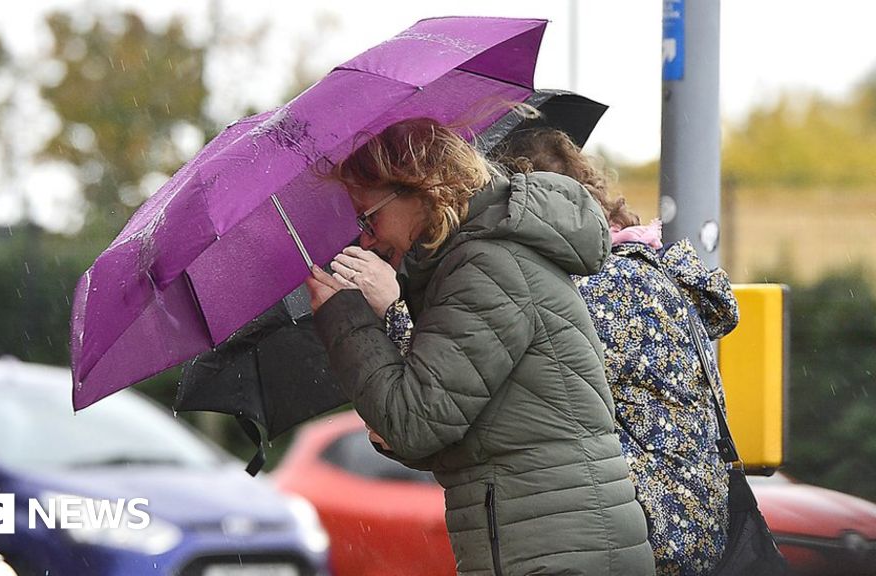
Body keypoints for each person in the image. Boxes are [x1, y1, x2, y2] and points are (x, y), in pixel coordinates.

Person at [306, 118, 654, 576]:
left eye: (368, 218)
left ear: (423, 189)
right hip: (548, 540)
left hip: (559, 547)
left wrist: (344, 317)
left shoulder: (488, 267)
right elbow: (470, 432)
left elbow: (418, 421)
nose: (366, 238)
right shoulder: (472, 265)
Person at [490, 128, 741, 575]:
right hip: (697, 520)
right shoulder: (649, 271)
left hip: (646, 531)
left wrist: (395, 313)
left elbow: (494, 373)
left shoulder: (605, 290)